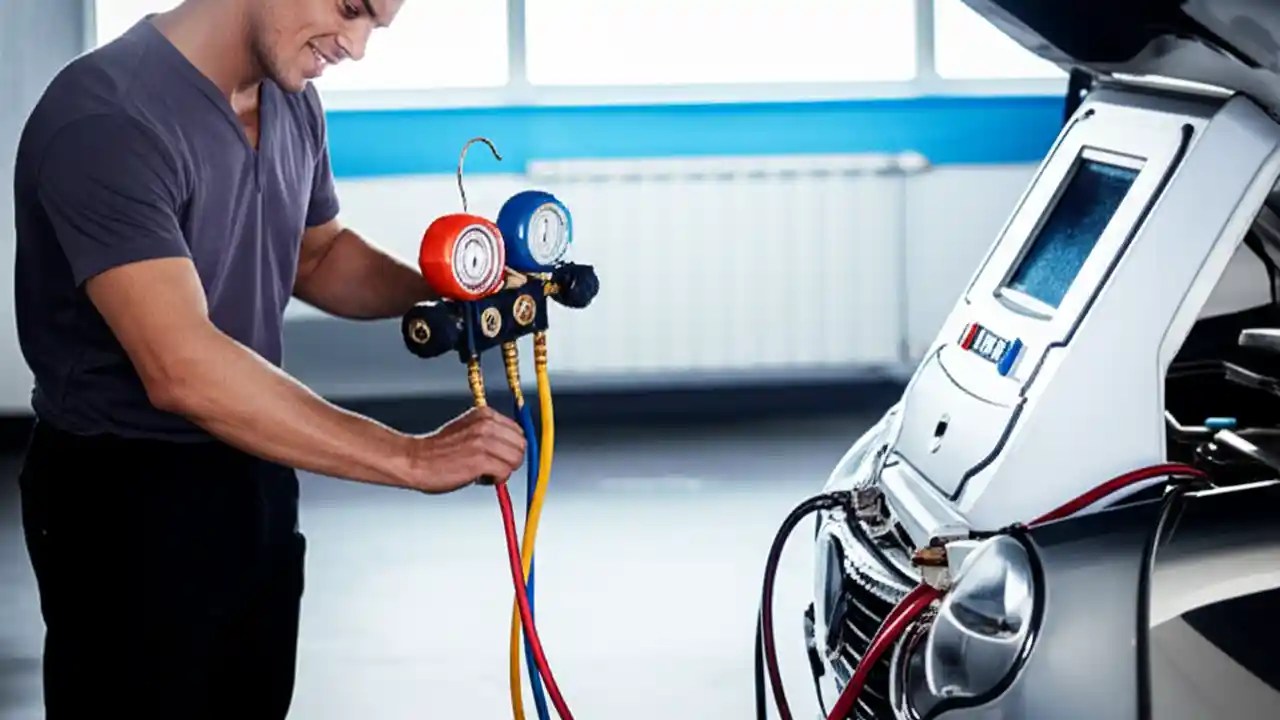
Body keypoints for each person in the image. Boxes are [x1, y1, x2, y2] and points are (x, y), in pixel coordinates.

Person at [10, 1, 527, 717]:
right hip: (126, 497)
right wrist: (410, 458)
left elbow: (316, 254)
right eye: (352, 10)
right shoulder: (107, 118)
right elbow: (180, 365)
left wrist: (449, 291)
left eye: (376, 25)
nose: (357, 46)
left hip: (253, 469)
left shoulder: (291, 99)